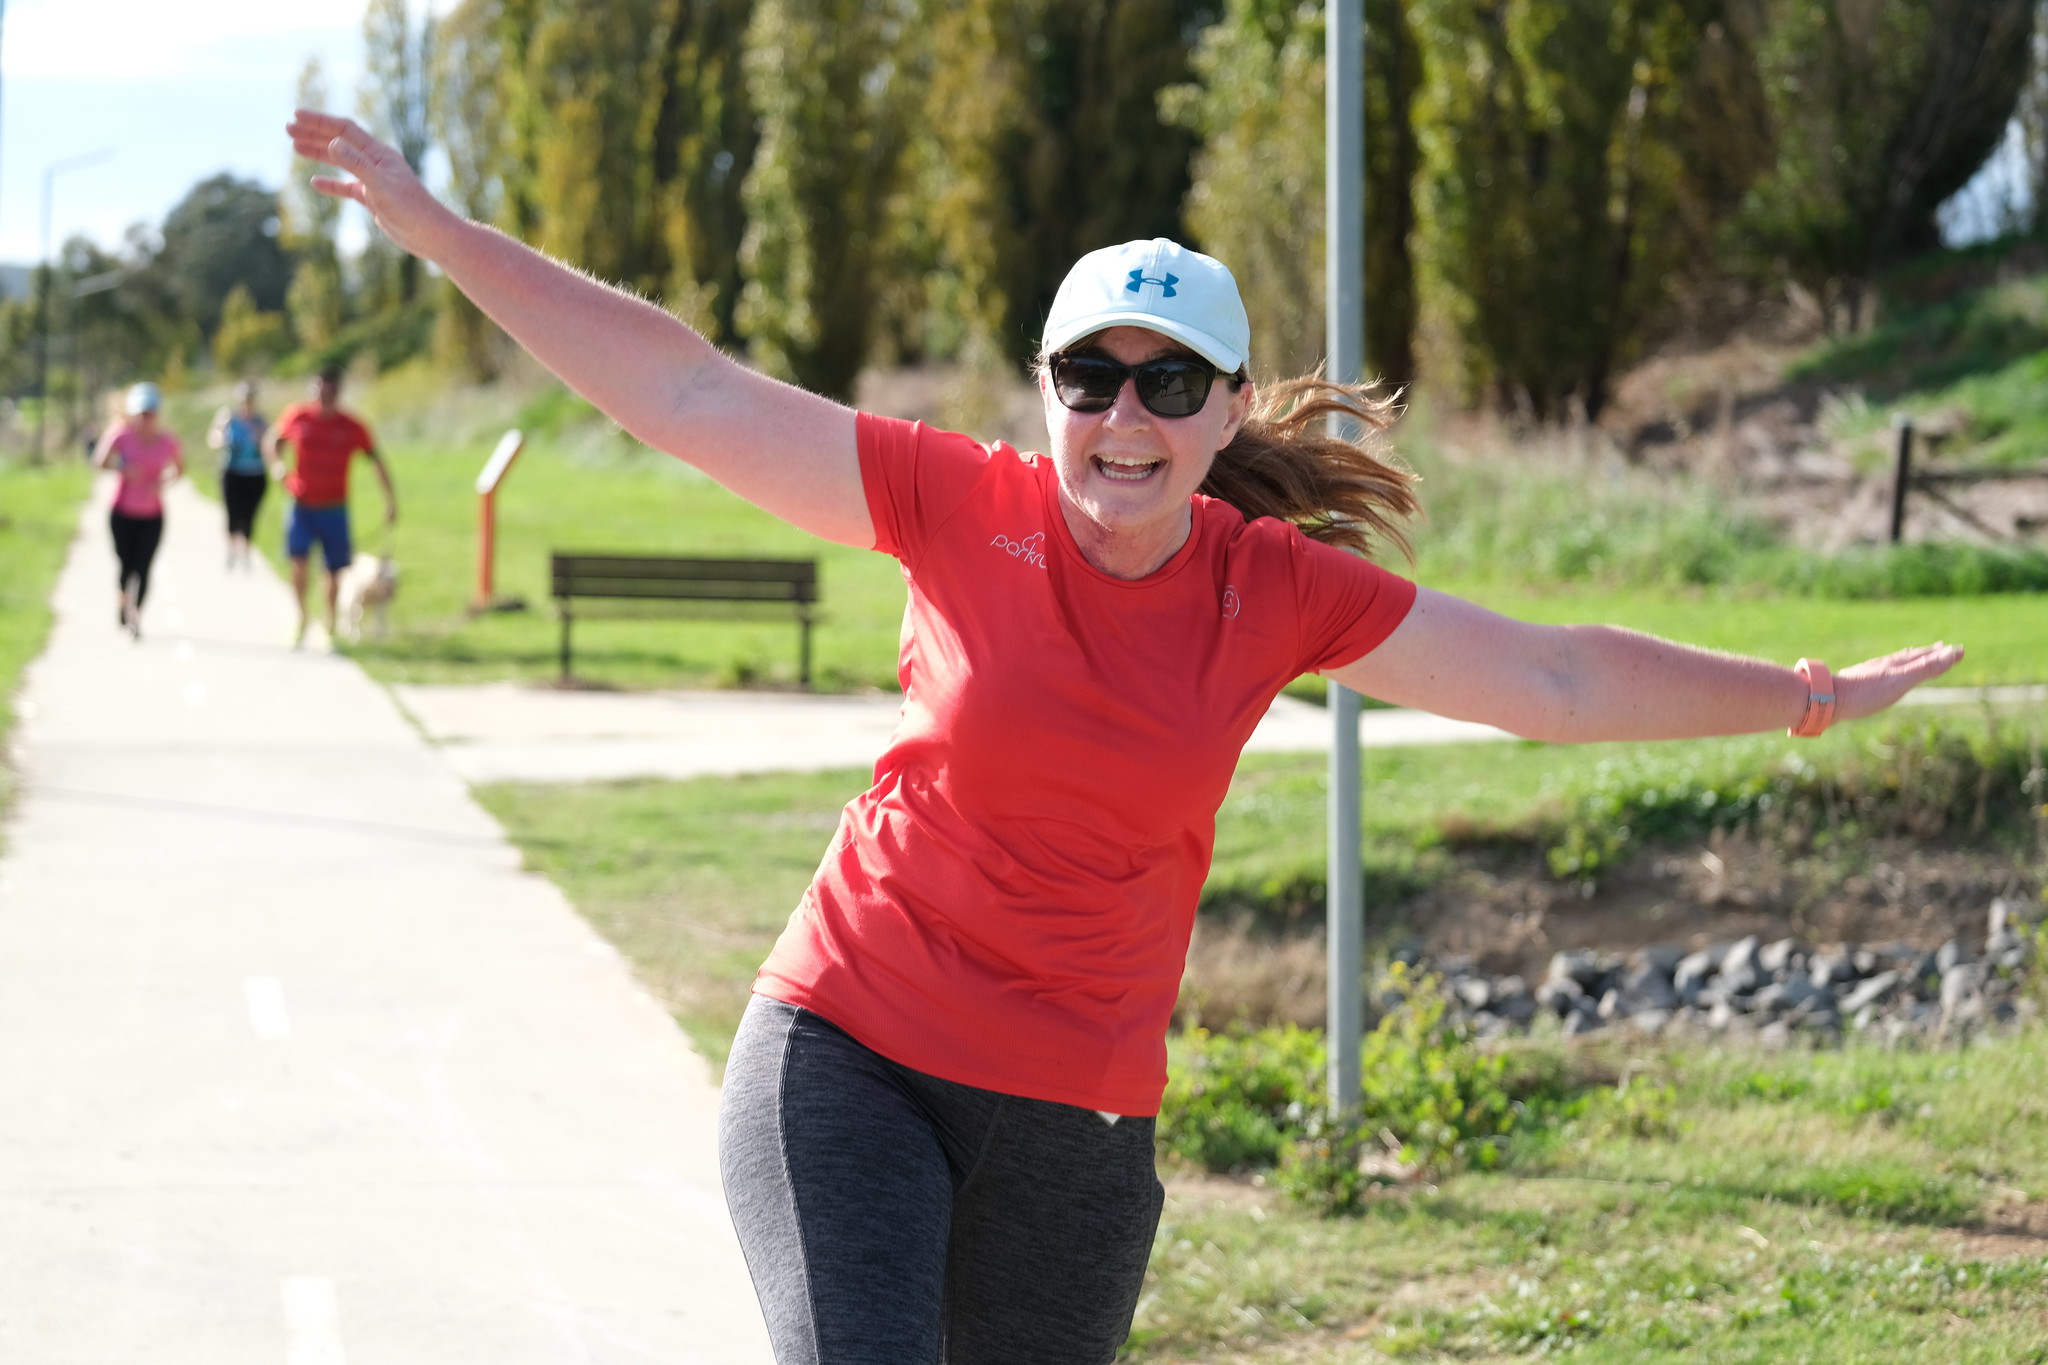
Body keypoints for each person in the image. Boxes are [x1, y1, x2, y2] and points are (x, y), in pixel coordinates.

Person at [288, 110, 1964, 1363]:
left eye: (1173, 386)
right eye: (1091, 376)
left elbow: (1556, 683)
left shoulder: (1269, 589)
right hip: (849, 1051)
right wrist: (438, 227)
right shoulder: (955, 504)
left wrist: (1802, 694)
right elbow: (686, 390)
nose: (1126, 417)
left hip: (1078, 1121)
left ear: (1230, 413)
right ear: (1044, 392)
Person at [262, 366, 396, 647]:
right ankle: (301, 617)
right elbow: (273, 440)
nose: (323, 397)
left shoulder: (351, 426)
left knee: (332, 570)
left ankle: (330, 621)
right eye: (318, 391)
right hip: (301, 504)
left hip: (334, 507)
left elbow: (376, 460)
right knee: (298, 562)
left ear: (338, 393)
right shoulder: (298, 416)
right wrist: (277, 466)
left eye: (329, 392)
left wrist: (390, 500)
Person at [92, 382, 184, 641]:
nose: (146, 418)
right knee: (126, 565)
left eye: (151, 412)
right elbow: (100, 461)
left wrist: (163, 482)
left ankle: (135, 616)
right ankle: (123, 601)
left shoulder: (167, 441)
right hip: (122, 513)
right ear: (133, 413)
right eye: (142, 413)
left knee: (144, 567)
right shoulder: (120, 435)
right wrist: (123, 468)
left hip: (152, 515)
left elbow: (179, 470)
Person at [208, 380, 269, 569]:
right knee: (232, 513)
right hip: (232, 472)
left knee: (249, 516)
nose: (247, 404)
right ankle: (231, 552)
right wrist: (222, 433)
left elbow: (269, 446)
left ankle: (246, 554)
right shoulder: (228, 419)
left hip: (255, 474)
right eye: (244, 400)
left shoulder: (261, 422)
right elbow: (214, 439)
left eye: (250, 400)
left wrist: (259, 437)